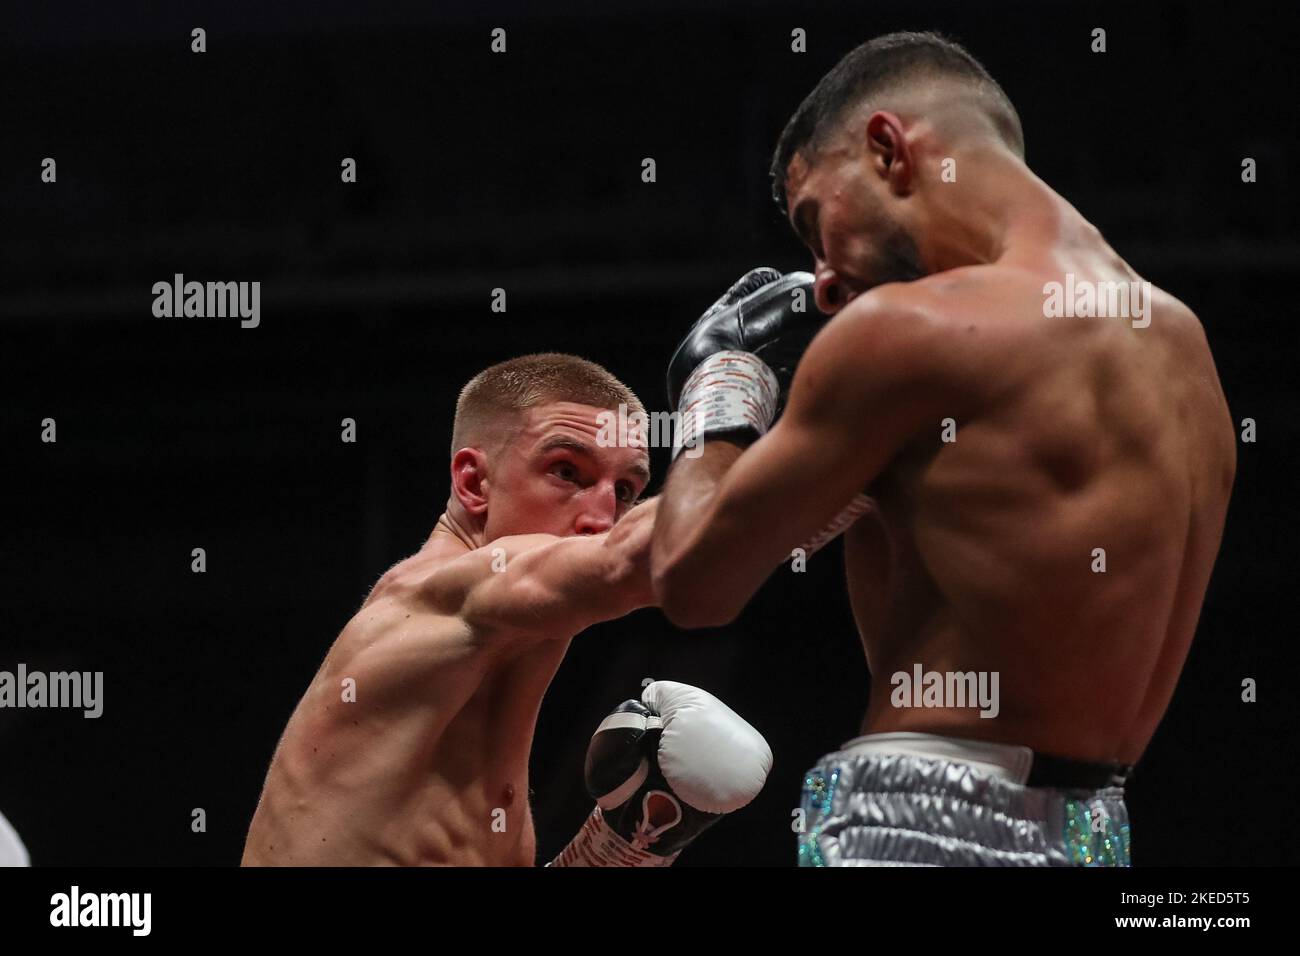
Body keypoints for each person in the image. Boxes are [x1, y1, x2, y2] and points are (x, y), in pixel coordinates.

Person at [651, 32, 1235, 866]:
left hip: (922, 818)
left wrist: (724, 380)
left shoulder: (904, 335)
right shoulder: (1187, 355)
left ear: (888, 149)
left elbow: (692, 578)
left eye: (816, 222)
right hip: (1093, 831)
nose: (817, 279)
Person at [243, 353, 770, 866]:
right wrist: (731, 405)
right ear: (474, 483)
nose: (602, 517)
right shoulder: (433, 594)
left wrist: (626, 845)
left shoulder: (493, 658)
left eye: (626, 490)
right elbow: (641, 557)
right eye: (567, 471)